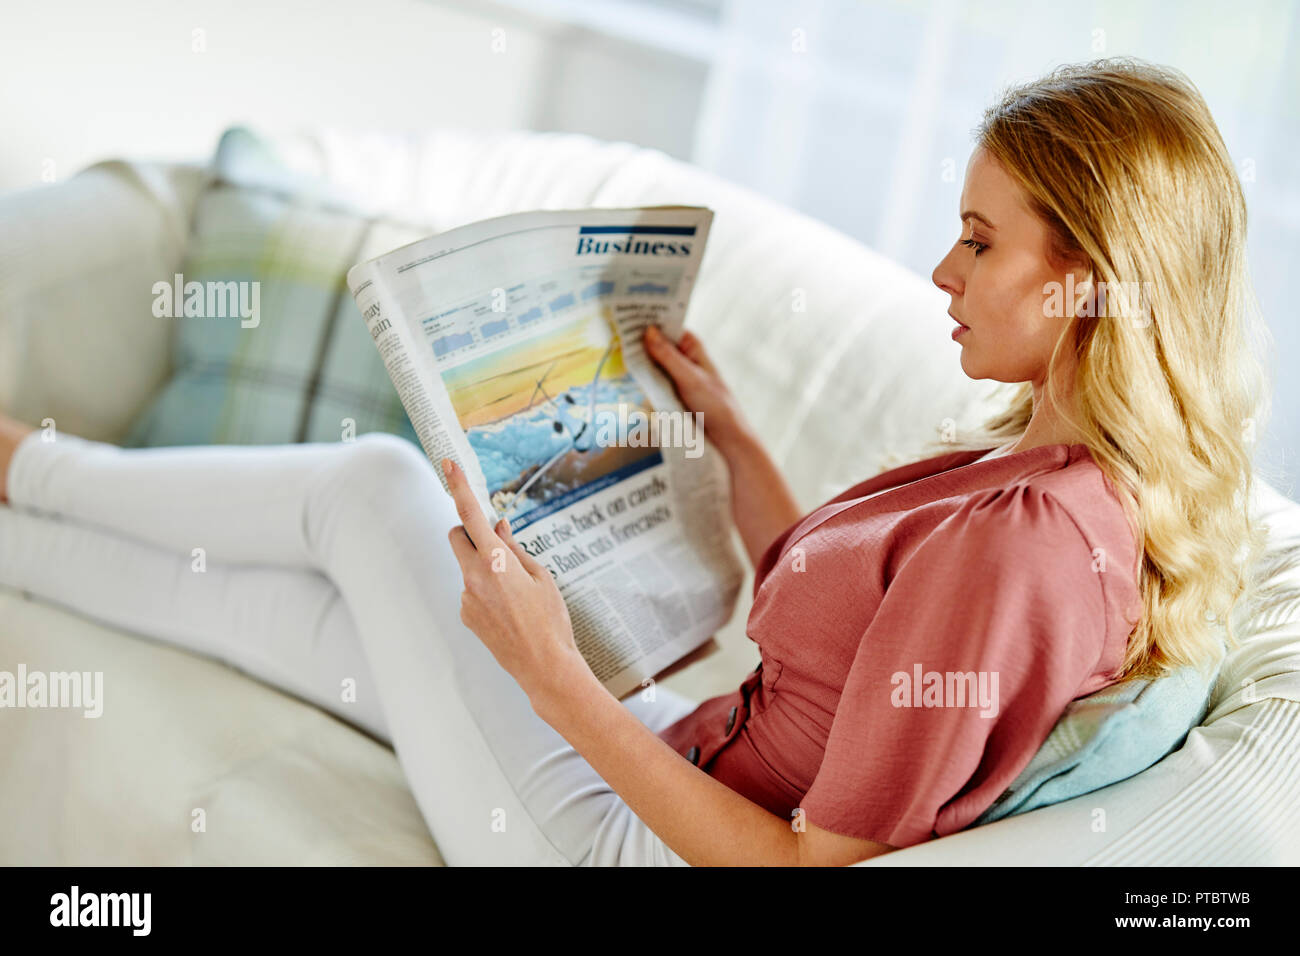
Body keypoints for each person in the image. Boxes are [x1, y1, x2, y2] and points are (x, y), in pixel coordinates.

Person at [0, 57, 1269, 866]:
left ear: (1094, 278)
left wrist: (554, 677)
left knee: (375, 487)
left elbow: (805, 870)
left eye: (981, 243)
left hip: (630, 843)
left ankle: (24, 464)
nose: (945, 271)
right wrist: (728, 431)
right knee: (310, 610)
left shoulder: (1026, 542)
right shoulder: (1050, 477)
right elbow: (852, 648)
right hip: (688, 747)